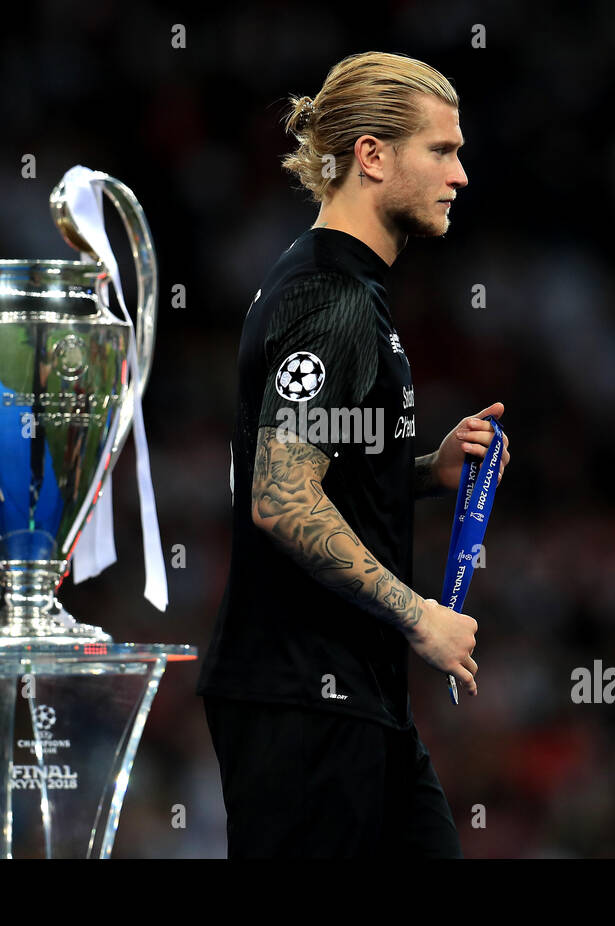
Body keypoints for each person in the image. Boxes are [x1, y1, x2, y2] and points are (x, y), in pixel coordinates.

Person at [195, 51, 510, 858]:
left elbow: (318, 469)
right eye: (442, 151)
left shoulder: (336, 289)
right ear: (371, 155)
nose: (461, 174)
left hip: (351, 696)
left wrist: (423, 475)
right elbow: (281, 496)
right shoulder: (330, 298)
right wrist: (419, 617)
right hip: (303, 698)